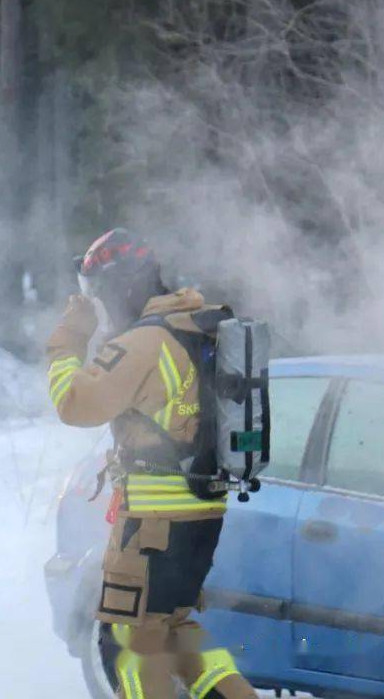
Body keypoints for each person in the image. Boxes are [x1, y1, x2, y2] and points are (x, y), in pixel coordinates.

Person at [47, 229, 258, 699]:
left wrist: (66, 343)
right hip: (199, 516)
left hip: (151, 527)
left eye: (98, 293)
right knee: (172, 631)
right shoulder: (191, 326)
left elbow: (75, 404)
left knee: (132, 642)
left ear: (121, 287)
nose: (98, 305)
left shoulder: (146, 343)